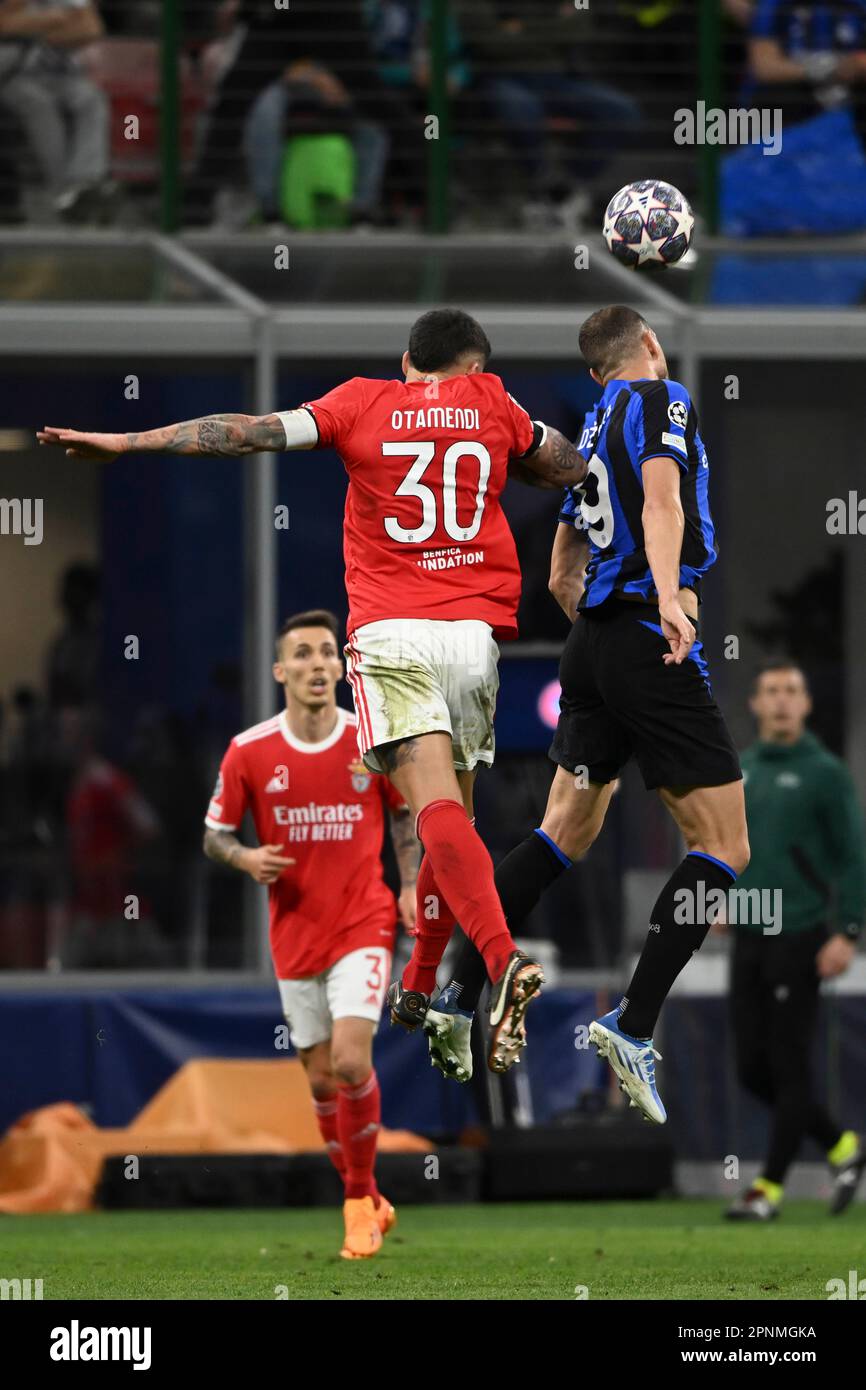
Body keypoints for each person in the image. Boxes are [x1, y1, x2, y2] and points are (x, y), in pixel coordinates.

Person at [37, 305, 584, 1079]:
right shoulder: (494, 403)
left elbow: (249, 431)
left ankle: (501, 960)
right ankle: (423, 986)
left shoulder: (360, 400)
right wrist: (569, 461)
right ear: (473, 366)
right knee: (451, 820)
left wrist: (130, 443)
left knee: (435, 817)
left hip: (395, 634)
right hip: (476, 640)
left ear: (406, 360)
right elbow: (560, 461)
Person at [415, 304, 750, 1122]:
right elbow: (663, 501)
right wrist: (670, 597)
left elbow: (564, 561)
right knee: (726, 846)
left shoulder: (592, 428)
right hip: (645, 629)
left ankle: (454, 991)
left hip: (592, 641)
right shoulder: (659, 399)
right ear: (648, 347)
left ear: (593, 370)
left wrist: (592, 630)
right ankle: (632, 1024)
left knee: (563, 831)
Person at [203, 609, 419, 1259]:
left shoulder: (369, 742)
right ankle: (370, 1193)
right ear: (281, 672)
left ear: (341, 667)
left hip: (363, 920)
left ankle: (355, 1205)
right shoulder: (250, 751)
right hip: (294, 933)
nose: (318, 664)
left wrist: (409, 886)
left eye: (328, 652)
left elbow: (406, 819)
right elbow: (213, 834)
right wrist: (245, 858)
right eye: (302, 654)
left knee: (353, 1061)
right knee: (323, 1081)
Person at [725, 659, 866, 1221]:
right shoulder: (742, 768)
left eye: (792, 691)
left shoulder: (825, 772)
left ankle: (767, 1190)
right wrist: (718, 895)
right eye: (771, 691)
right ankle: (841, 1146)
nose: (782, 701)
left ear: (806, 704)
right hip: (748, 935)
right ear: (756, 704)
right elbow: (721, 842)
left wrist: (848, 931)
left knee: (787, 1067)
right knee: (750, 1069)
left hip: (800, 934)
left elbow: (853, 855)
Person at [0, 0, 111, 221]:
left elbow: (91, 30)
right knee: (39, 106)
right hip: (19, 76)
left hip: (64, 76)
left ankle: (86, 182)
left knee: (92, 100)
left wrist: (34, 30)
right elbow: (5, 25)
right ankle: (64, 190)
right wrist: (55, 20)